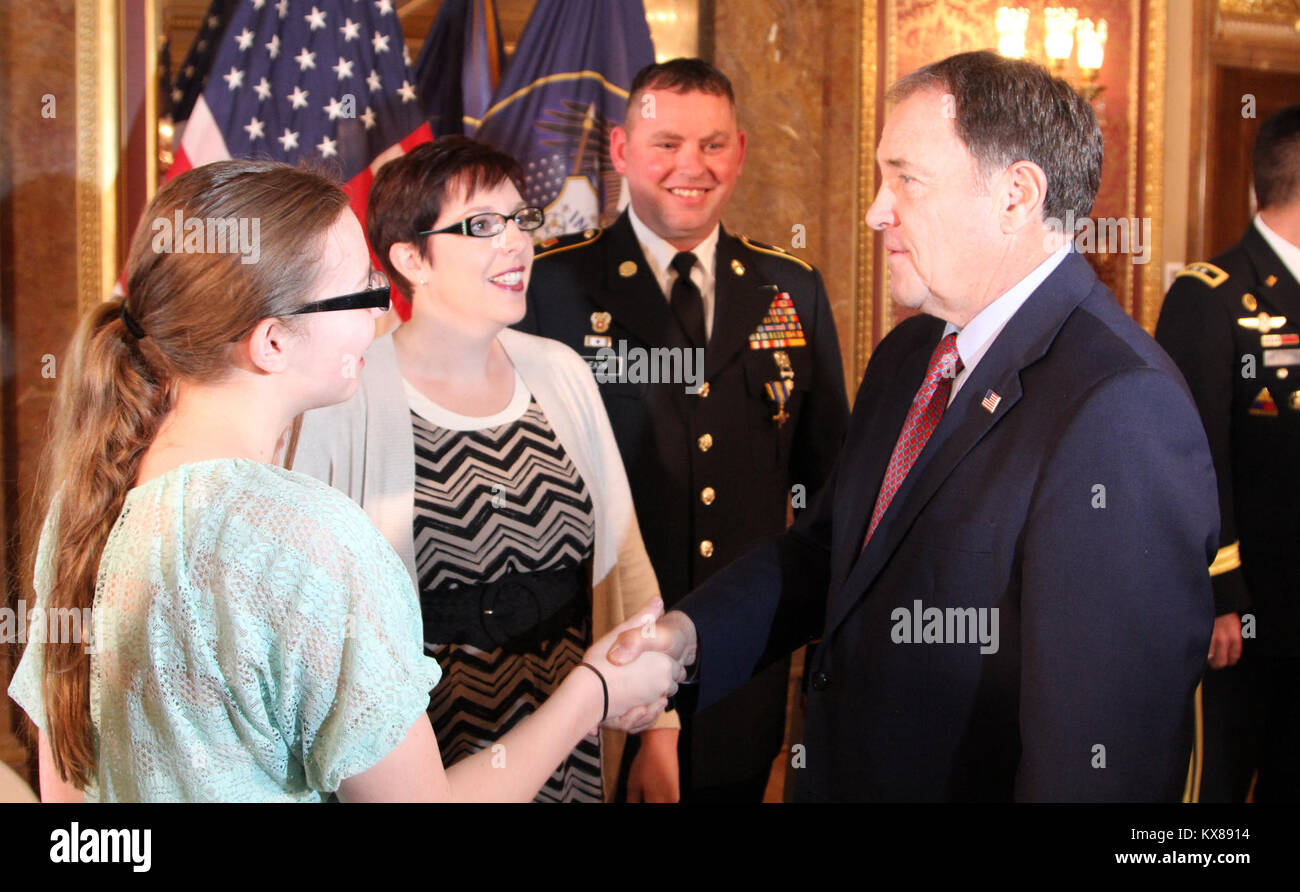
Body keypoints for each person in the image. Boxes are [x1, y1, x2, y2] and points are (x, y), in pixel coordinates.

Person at [609, 50, 1218, 801]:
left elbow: (1098, 757)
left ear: (1016, 196)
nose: (876, 210)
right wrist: (686, 638)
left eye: (907, 179)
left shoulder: (1121, 408)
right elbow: (833, 553)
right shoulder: (911, 352)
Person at [7, 159, 676, 802]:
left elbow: (67, 786)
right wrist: (594, 690)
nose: (381, 314)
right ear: (272, 343)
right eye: (361, 293)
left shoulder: (90, 500)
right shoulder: (315, 541)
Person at [290, 138, 679, 803]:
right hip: (421, 771)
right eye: (482, 226)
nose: (518, 243)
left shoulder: (560, 372)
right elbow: (308, 624)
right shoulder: (346, 399)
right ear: (410, 258)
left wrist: (659, 731)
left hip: (574, 750)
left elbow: (625, 558)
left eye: (520, 220)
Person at [517, 58, 849, 802]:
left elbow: (831, 486)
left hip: (740, 676)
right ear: (621, 150)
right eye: (666, 143)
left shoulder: (790, 287)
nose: (690, 167)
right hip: (594, 665)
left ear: (741, 152)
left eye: (713, 144)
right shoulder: (550, 287)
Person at [1155, 103, 1300, 803]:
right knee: (1210, 803)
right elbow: (1190, 461)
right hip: (1241, 613)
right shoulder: (1210, 297)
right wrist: (1219, 595)